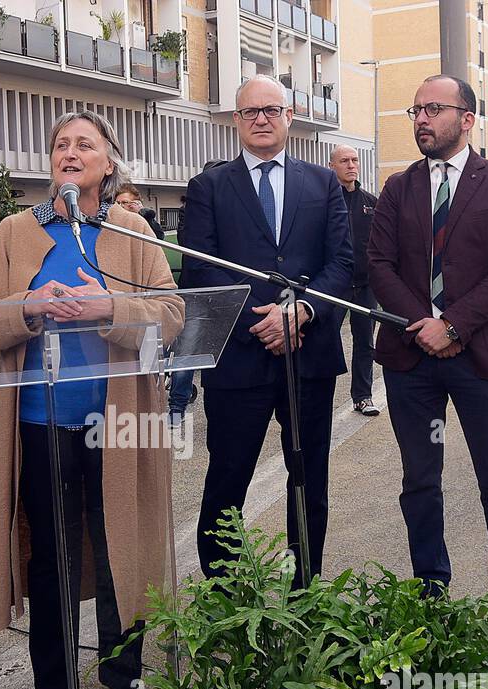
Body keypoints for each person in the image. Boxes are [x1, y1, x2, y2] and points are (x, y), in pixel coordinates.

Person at [0, 111, 184, 689]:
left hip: (119, 426)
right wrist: (23, 308)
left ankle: (123, 678)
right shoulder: (12, 234)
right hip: (40, 423)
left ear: (108, 164)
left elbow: (170, 315)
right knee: (51, 558)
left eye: (85, 144)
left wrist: (108, 306)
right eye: (61, 144)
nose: (70, 152)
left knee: (120, 551)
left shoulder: (134, 230)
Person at [367, 75, 488, 614]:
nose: (420, 118)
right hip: (410, 357)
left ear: (467, 119)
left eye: (433, 108)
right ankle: (431, 591)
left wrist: (454, 325)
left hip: (480, 357)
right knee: (420, 481)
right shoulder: (398, 187)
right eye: (414, 109)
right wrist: (423, 324)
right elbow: (379, 267)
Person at [181, 75, 353, 584]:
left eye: (271, 110)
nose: (261, 119)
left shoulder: (322, 184)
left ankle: (306, 592)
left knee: (308, 480)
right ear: (236, 121)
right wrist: (265, 319)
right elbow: (201, 271)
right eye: (250, 112)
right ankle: (225, 602)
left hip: (309, 356)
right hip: (239, 359)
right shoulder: (208, 187)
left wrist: (300, 312)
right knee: (228, 481)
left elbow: (341, 263)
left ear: (289, 117)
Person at [168, 158, 228, 422]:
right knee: (188, 351)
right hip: (196, 292)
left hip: (229, 291)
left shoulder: (235, 211)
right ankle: (177, 407)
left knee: (227, 350)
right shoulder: (190, 211)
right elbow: (190, 246)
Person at [329, 144, 381, 415]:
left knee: (365, 343)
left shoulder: (371, 203)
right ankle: (318, 396)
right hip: (334, 287)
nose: (351, 165)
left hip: (364, 286)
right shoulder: (325, 202)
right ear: (332, 166)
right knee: (326, 340)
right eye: (344, 161)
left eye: (354, 160)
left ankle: (363, 396)